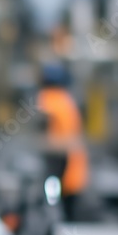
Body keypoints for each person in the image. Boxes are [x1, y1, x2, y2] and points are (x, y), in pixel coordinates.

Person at [36, 63, 89, 221]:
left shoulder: (49, 99)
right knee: (68, 214)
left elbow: (46, 134)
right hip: (74, 167)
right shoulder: (67, 100)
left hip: (60, 165)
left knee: (54, 211)